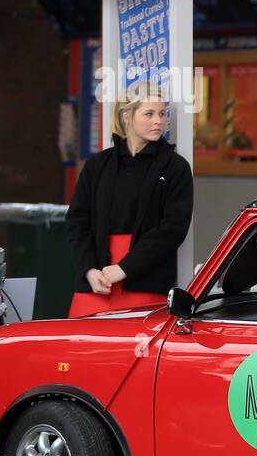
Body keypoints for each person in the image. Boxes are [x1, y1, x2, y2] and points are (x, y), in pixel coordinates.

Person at [66, 91, 193, 318]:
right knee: (82, 351)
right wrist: (89, 270)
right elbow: (77, 222)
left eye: (163, 114)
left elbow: (173, 229)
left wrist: (124, 269)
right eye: (149, 114)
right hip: (95, 284)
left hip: (145, 283)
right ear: (126, 116)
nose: (159, 121)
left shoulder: (176, 167)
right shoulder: (97, 166)